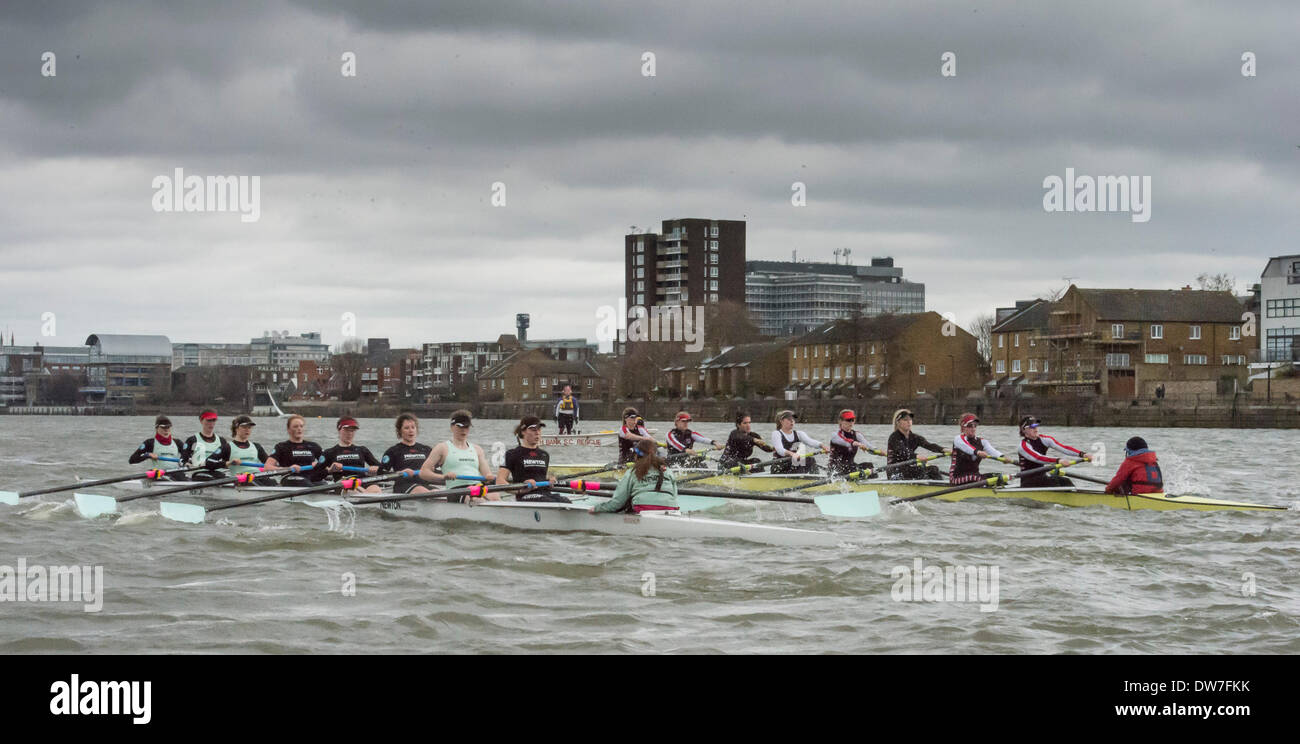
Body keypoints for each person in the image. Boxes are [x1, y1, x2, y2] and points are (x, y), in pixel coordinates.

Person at [418, 410, 496, 503]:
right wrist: (443, 477)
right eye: (460, 426)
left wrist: (489, 478)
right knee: (476, 500)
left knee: (495, 496)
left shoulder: (477, 449)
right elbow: (423, 472)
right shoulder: (442, 448)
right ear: (452, 427)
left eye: (466, 427)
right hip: (456, 490)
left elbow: (487, 474)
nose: (463, 430)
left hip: (477, 487)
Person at [589, 440, 678, 514]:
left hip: (642, 508)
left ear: (636, 455)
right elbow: (674, 495)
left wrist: (598, 508)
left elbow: (618, 502)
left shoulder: (632, 471)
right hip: (670, 507)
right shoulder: (667, 470)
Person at [498, 415, 568, 503]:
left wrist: (549, 481)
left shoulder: (544, 454)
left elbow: (539, 477)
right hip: (525, 495)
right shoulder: (511, 454)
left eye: (539, 429)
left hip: (545, 494)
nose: (537, 433)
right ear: (523, 431)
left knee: (566, 501)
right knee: (548, 501)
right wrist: (520, 490)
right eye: (533, 430)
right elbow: (500, 481)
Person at [1016, 416, 1091, 487]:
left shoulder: (1045, 439)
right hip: (1028, 481)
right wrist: (1058, 460)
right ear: (1024, 430)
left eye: (1036, 425)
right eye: (1032, 427)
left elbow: (1064, 448)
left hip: (1042, 477)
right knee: (1053, 481)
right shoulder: (1023, 446)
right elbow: (1038, 458)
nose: (1035, 428)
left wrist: (1083, 454)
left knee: (1065, 481)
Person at [204, 415, 272, 485]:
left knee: (272, 482)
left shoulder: (257, 446)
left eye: (249, 427)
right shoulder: (227, 447)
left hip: (257, 477)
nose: (247, 430)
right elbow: (208, 462)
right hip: (241, 480)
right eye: (244, 427)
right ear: (236, 428)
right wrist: (228, 463)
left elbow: (270, 464)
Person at [263, 414, 327, 487]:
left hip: (310, 478)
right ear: (288, 429)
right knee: (306, 484)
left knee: (325, 485)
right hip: (290, 477)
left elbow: (327, 463)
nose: (299, 429)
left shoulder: (313, 446)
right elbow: (267, 467)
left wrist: (319, 465)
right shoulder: (281, 446)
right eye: (295, 426)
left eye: (301, 426)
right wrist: (288, 468)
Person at [886, 409, 950, 480]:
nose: (908, 422)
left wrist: (945, 450)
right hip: (895, 471)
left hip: (909, 468)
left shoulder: (914, 437)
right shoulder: (894, 437)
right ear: (898, 422)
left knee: (934, 470)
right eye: (905, 420)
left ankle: (942, 486)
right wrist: (916, 456)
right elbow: (902, 451)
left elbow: (929, 445)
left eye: (910, 419)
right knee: (930, 470)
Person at [379, 413, 435, 494]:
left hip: (424, 485)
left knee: (438, 491)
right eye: (406, 428)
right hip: (403, 486)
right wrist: (399, 473)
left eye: (413, 427)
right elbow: (381, 473)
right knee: (423, 491)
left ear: (416, 429)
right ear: (399, 431)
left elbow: (438, 470)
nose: (411, 430)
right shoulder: (393, 451)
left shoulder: (426, 449)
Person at [324, 416, 383, 493]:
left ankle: (368, 498)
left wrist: (376, 469)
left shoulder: (362, 450)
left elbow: (381, 469)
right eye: (346, 430)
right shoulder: (330, 452)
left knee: (376, 489)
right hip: (343, 482)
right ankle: (365, 496)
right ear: (339, 430)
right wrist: (329, 470)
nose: (349, 433)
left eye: (352, 431)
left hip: (362, 480)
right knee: (355, 489)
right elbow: (316, 475)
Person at [949, 413, 1005, 485]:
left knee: (999, 478)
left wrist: (1003, 457)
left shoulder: (982, 441)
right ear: (963, 427)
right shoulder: (958, 439)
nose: (973, 428)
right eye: (970, 426)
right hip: (956, 478)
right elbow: (967, 447)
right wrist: (978, 452)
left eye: (975, 426)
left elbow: (993, 451)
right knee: (976, 478)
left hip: (975, 476)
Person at [128, 415, 189, 480]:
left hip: (175, 473)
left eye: (168, 427)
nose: (166, 430)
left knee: (186, 476)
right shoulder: (150, 443)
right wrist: (148, 455)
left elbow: (187, 456)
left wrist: (186, 461)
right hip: (158, 474)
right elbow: (132, 460)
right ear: (157, 428)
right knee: (164, 477)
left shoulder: (177, 442)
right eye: (163, 427)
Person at [828, 409, 884, 476]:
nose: (851, 422)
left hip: (850, 468)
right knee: (853, 468)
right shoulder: (835, 436)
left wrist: (881, 452)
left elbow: (869, 447)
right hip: (836, 470)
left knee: (869, 466)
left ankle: (872, 484)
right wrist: (856, 443)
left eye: (853, 420)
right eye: (848, 420)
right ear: (841, 421)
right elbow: (845, 441)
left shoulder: (857, 435)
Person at [184, 410, 227, 481]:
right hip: (199, 473)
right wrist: (186, 464)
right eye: (209, 420)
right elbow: (183, 459)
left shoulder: (222, 441)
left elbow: (227, 461)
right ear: (201, 421)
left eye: (214, 420)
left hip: (218, 473)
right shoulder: (192, 440)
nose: (211, 423)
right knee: (213, 478)